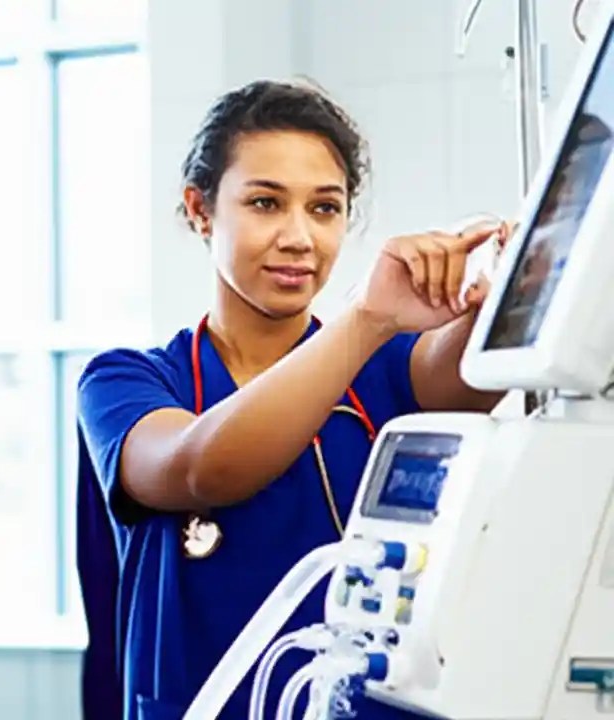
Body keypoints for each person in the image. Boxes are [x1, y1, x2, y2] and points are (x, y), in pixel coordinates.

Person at [75, 79, 507, 720]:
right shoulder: (126, 382)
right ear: (200, 210)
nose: (299, 237)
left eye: (325, 209)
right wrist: (365, 317)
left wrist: (510, 278)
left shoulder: (385, 373)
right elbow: (201, 467)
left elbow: (481, 368)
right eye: (265, 203)